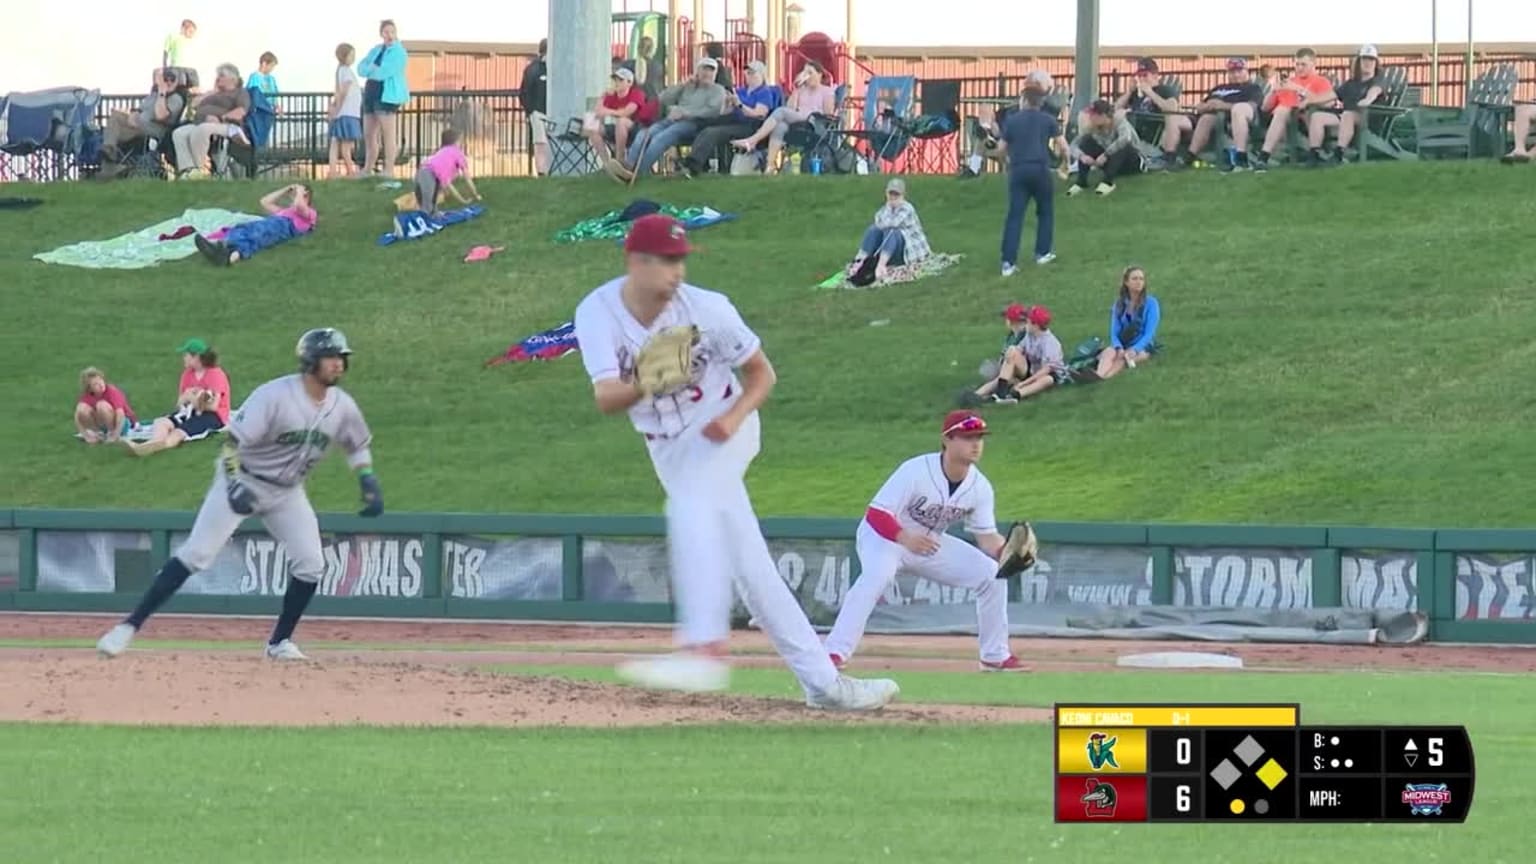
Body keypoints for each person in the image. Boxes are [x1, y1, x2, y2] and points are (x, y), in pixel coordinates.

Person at [571, 214, 900, 711]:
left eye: (681, 259)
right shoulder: (597, 312)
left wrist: (734, 418)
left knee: (689, 505)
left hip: (725, 422)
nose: (677, 270)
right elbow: (604, 397)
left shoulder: (709, 309)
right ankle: (826, 686)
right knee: (753, 572)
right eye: (666, 260)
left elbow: (763, 374)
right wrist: (647, 382)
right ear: (635, 261)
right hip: (666, 445)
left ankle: (703, 647)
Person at [97, 328, 383, 661]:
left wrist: (367, 480)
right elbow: (233, 442)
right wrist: (234, 484)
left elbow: (356, 444)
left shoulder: (341, 405)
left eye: (341, 358)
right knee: (197, 554)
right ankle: (127, 628)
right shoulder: (276, 396)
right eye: (331, 357)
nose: (338, 364)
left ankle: (279, 642)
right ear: (310, 361)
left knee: (311, 564)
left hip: (287, 492)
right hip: (243, 477)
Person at [824, 410, 1025, 672]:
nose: (976, 444)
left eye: (979, 437)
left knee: (991, 575)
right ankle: (834, 652)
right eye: (967, 437)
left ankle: (995, 656)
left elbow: (985, 535)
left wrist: (1006, 552)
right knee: (877, 577)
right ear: (947, 440)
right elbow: (876, 513)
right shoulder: (916, 470)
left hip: (929, 542)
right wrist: (904, 537)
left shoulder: (980, 487)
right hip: (885, 536)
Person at [606, 59, 727, 181]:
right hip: (671, 120)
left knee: (662, 137)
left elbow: (712, 112)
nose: (707, 73)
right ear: (697, 71)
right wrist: (682, 85)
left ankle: (638, 172)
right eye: (704, 69)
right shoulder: (688, 86)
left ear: (715, 73)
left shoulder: (718, 90)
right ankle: (628, 165)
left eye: (711, 70)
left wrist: (685, 113)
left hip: (694, 123)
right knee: (645, 133)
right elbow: (663, 98)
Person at [995, 85, 1069, 276]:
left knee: (1015, 216)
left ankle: (1008, 263)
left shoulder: (1011, 121)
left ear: (1025, 100)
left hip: (1019, 170)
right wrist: (1064, 165)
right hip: (1040, 169)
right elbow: (1064, 146)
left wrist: (1006, 163)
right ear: (1040, 102)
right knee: (1045, 212)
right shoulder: (1048, 120)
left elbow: (1000, 149)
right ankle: (1042, 253)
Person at [126, 339, 233, 457]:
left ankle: (162, 445)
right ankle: (154, 443)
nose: (183, 358)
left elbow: (213, 406)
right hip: (189, 411)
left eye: (186, 355)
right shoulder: (188, 374)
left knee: (179, 432)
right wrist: (186, 397)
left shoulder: (215, 374)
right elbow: (179, 403)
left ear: (196, 357)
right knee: (161, 422)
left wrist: (193, 399)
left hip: (212, 416)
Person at [729, 62, 837, 174]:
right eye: (805, 73)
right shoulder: (801, 90)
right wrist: (797, 90)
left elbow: (828, 114)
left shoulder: (827, 91)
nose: (807, 76)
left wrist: (811, 112)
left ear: (819, 74)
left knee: (780, 111)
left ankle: (753, 140)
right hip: (798, 119)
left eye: (810, 73)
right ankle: (770, 166)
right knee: (779, 126)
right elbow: (790, 108)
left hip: (814, 120)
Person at [680, 60, 782, 176]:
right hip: (734, 121)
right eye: (747, 73)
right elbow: (726, 112)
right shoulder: (740, 91)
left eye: (753, 73)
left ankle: (693, 165)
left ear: (762, 75)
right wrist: (727, 103)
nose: (749, 76)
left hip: (751, 126)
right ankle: (697, 162)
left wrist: (739, 104)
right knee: (705, 125)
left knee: (713, 133)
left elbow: (759, 114)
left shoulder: (764, 92)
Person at [193, 184, 316, 266]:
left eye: (297, 195)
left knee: (254, 238)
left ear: (306, 196)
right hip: (266, 225)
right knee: (242, 231)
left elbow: (300, 205)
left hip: (278, 229)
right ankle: (221, 252)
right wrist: (285, 189)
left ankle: (224, 255)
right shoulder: (285, 211)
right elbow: (265, 201)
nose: (293, 197)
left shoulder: (309, 214)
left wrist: (300, 191)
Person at [1307, 44, 1385, 165]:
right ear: (1359, 62)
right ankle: (1314, 155)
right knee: (1317, 117)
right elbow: (1331, 95)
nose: (1368, 63)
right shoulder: (1351, 83)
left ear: (1376, 63)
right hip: (1346, 118)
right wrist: (1309, 100)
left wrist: (1367, 100)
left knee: (1348, 115)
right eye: (1364, 59)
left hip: (1368, 118)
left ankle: (1338, 154)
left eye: (1371, 60)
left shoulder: (1377, 80)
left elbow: (1375, 91)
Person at [170, 63, 250, 178]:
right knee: (179, 133)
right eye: (218, 75)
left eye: (221, 75)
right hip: (201, 122)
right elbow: (194, 104)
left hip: (225, 125)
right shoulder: (215, 93)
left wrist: (221, 117)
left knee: (202, 130)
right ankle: (187, 170)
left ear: (233, 79)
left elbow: (241, 112)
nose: (218, 78)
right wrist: (212, 92)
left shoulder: (240, 92)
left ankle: (200, 168)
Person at [846, 178, 931, 282]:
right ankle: (860, 260)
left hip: (909, 252)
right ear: (886, 194)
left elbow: (893, 223)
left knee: (892, 232)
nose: (893, 197)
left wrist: (882, 223)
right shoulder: (886, 209)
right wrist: (883, 220)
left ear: (903, 195)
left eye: (896, 194)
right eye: (891, 194)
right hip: (890, 248)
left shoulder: (907, 208)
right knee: (873, 229)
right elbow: (877, 222)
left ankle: (881, 266)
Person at [359, 19, 410, 177]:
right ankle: (367, 168)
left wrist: (372, 70)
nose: (389, 35)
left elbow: (385, 72)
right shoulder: (376, 50)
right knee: (368, 133)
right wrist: (370, 70)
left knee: (388, 134)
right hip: (370, 92)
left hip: (387, 95)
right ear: (381, 33)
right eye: (386, 32)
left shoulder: (399, 52)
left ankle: (388, 169)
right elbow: (361, 67)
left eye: (392, 32)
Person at [1094, 266, 1162, 380]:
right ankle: (1098, 375)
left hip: (1143, 346)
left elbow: (1149, 333)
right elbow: (1114, 331)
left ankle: (1105, 377)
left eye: (1141, 279)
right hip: (1124, 341)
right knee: (1109, 352)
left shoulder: (1151, 303)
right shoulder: (1120, 304)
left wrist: (1134, 349)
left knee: (1124, 359)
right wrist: (1118, 347)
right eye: (1134, 279)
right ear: (1126, 282)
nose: (1138, 282)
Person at [1068, 99, 1145, 197]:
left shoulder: (1119, 121)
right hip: (1111, 163)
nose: (1090, 117)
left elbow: (1126, 139)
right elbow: (1073, 145)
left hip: (1132, 162)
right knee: (1086, 142)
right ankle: (1081, 182)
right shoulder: (1091, 127)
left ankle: (1108, 182)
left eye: (1093, 115)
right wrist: (1082, 156)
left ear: (1103, 116)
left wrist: (1106, 154)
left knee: (1123, 145)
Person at [964, 303, 1033, 404]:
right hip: (1013, 369)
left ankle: (982, 395)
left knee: (999, 377)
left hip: (1025, 369)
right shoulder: (1012, 336)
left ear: (1011, 321)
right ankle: (978, 396)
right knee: (996, 379)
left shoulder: (1024, 335)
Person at [998, 306, 1064, 403]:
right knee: (1012, 351)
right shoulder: (1029, 336)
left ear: (1036, 325)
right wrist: (1011, 351)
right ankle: (1001, 392)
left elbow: (1046, 370)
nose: (1026, 325)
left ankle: (1016, 395)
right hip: (1031, 370)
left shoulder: (1050, 343)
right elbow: (1019, 349)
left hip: (1048, 375)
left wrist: (1024, 383)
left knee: (1047, 380)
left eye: (1028, 322)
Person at [584, 67, 648, 164]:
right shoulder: (611, 96)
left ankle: (619, 160)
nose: (617, 82)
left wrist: (608, 111)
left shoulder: (637, 94)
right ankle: (607, 163)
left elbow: (626, 112)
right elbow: (597, 113)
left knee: (621, 121)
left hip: (639, 129)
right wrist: (603, 96)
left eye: (621, 80)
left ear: (629, 83)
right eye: (615, 80)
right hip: (619, 129)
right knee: (592, 127)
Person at [414, 129, 482, 216]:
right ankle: (421, 221)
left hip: (420, 172)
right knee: (428, 211)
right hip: (429, 176)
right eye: (460, 141)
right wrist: (475, 194)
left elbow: (449, 186)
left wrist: (463, 200)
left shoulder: (441, 153)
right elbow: (467, 178)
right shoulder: (457, 153)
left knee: (427, 207)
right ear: (456, 142)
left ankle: (430, 214)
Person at [328, 43, 363, 178]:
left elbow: (338, 92)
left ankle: (333, 171)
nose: (353, 58)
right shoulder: (346, 71)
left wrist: (335, 107)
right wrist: (338, 107)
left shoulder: (341, 70)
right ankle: (350, 170)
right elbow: (343, 92)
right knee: (347, 144)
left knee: (336, 141)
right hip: (348, 112)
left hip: (345, 112)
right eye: (351, 55)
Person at [75, 367, 136, 444]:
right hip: (103, 424)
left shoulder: (111, 391)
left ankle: (111, 432)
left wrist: (115, 436)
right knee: (82, 409)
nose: (100, 384)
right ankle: (98, 433)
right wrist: (86, 436)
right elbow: (77, 416)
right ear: (90, 389)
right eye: (95, 384)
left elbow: (121, 414)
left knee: (101, 405)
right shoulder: (87, 396)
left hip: (123, 423)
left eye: (100, 380)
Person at [520, 38, 550, 176]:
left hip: (552, 112)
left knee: (548, 143)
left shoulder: (556, 67)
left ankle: (550, 170)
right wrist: (531, 111)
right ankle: (542, 172)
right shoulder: (533, 69)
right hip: (538, 112)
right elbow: (524, 92)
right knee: (540, 142)